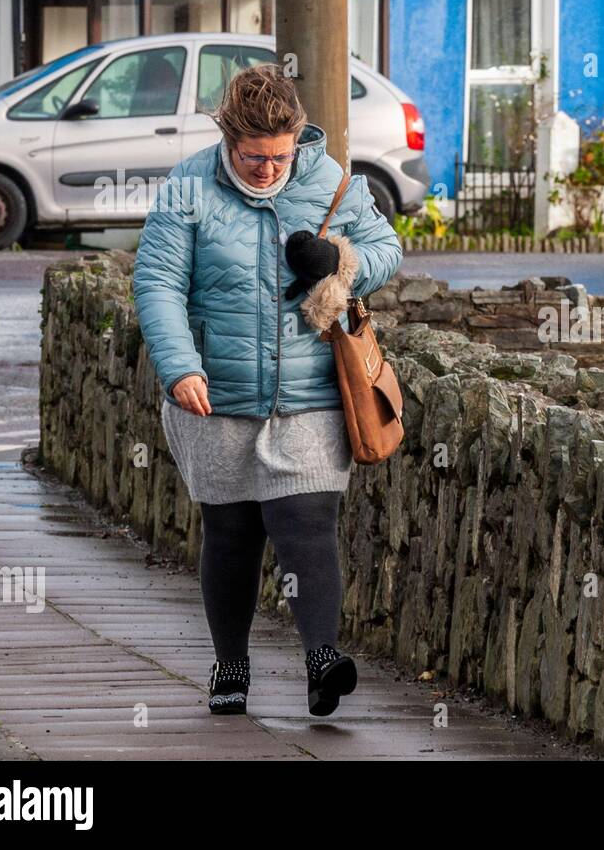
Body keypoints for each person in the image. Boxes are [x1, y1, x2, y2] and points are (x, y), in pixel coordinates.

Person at [132, 63, 404, 718]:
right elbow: (158, 283)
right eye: (254, 157)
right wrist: (180, 366)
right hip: (216, 392)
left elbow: (387, 250)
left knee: (306, 521)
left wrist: (341, 260)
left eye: (278, 156)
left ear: (296, 141)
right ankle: (230, 665)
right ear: (230, 139)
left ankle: (321, 659)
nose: (266, 169)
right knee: (231, 532)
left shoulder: (331, 179)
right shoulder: (188, 188)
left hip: (311, 390)